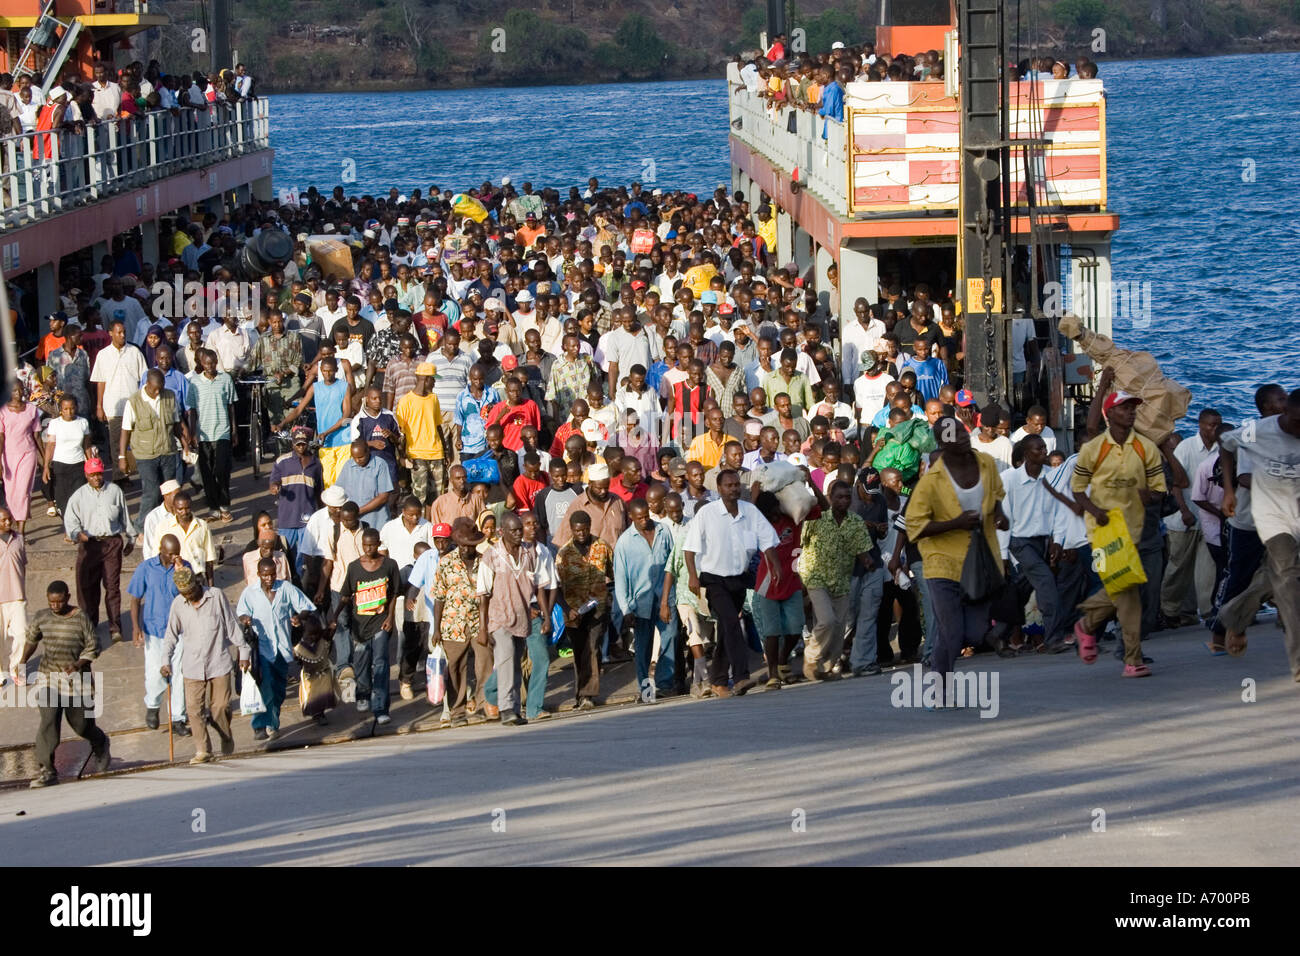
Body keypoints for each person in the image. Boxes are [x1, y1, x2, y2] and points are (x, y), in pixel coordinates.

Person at [905, 417, 1009, 705]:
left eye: (962, 432)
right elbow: (915, 527)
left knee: (973, 634)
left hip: (977, 561)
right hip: (942, 563)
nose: (961, 438)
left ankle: (951, 660)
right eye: (952, 436)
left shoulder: (986, 464)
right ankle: (940, 688)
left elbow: (996, 495)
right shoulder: (931, 482)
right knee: (951, 631)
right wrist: (955, 523)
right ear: (942, 444)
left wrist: (998, 515)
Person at [1069, 393, 1168, 677]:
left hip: (1138, 528)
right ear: (1108, 413)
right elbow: (1077, 488)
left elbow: (1160, 489)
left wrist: (1150, 495)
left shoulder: (1145, 447)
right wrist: (1095, 510)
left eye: (1133, 408)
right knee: (1127, 594)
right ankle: (1132, 660)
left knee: (1132, 590)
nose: (1130, 413)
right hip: (1106, 529)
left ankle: (1087, 623)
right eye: (1124, 408)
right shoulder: (1094, 448)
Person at [1219, 388, 1300, 680]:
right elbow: (1225, 445)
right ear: (1284, 413)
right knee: (1288, 579)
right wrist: (1228, 490)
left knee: (1275, 577)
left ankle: (1234, 615)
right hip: (1270, 517)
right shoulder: (1258, 432)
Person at [683, 469, 782, 697]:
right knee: (732, 623)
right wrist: (692, 576)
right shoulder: (707, 513)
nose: (734, 489)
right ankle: (740, 677)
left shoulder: (750, 511)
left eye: (737, 484)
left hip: (739, 579)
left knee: (729, 630)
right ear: (719, 489)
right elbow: (689, 549)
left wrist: (775, 565)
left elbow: (767, 541)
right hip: (714, 580)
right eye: (729, 485)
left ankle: (718, 681)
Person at [21, 580, 111, 788]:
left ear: (67, 598)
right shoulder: (42, 617)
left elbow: (94, 646)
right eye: (51, 602)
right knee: (48, 721)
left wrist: (79, 664)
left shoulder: (80, 618)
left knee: (82, 725)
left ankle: (100, 743)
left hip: (78, 681)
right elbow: (32, 639)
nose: (55, 606)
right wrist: (22, 661)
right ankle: (47, 770)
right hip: (49, 678)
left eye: (59, 602)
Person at [160, 567, 249, 764]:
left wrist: (243, 651)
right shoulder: (178, 605)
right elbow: (170, 636)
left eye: (191, 592)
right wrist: (165, 660)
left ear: (198, 584)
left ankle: (226, 735)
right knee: (193, 709)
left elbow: (231, 625)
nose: (189, 596)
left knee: (221, 707)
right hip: (192, 665)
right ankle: (203, 750)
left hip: (218, 661)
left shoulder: (216, 596)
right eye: (185, 594)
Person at [476, 512, 549, 725]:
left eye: (520, 530)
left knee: (516, 663)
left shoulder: (530, 553)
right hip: (500, 617)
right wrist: (483, 628)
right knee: (505, 660)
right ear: (502, 532)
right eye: (514, 531)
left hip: (523, 617)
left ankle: (515, 708)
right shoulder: (491, 556)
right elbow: (483, 595)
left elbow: (541, 585)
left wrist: (546, 617)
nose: (519, 534)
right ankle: (506, 707)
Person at [799, 481, 876, 680]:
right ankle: (811, 655)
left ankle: (824, 669)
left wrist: (868, 561)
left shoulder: (856, 522)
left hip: (841, 578)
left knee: (839, 628)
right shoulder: (817, 518)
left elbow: (862, 550)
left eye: (847, 497)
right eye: (839, 497)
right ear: (830, 498)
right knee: (827, 620)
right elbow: (802, 542)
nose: (843, 501)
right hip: (816, 576)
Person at [1002, 434, 1071, 652]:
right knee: (1046, 583)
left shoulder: (1052, 477)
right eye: (1038, 449)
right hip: (1020, 543)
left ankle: (998, 632)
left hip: (1044, 541)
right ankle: (1053, 639)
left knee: (1022, 588)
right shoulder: (1010, 479)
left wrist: (1057, 541)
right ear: (1025, 454)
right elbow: (1004, 517)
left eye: (1044, 448)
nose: (1044, 452)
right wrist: (1003, 553)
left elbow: (1060, 511)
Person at [237, 556, 317, 739]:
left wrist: (299, 617)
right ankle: (262, 725)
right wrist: (246, 619)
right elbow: (241, 612)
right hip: (263, 649)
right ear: (259, 575)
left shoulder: (286, 589)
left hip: (282, 648)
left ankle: (272, 720)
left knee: (279, 689)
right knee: (266, 687)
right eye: (265, 575)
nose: (269, 578)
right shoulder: (250, 593)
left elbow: (306, 607)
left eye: (272, 574)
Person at [330, 527, 400, 723]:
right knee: (361, 662)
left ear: (378, 544)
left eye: (372, 545)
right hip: (359, 625)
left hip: (380, 623)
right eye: (365, 545)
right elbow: (345, 595)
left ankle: (381, 708)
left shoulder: (389, 565)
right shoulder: (354, 567)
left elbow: (394, 592)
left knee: (381, 663)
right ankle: (363, 694)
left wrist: (390, 617)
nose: (368, 549)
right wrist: (335, 617)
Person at [1160, 407, 1222, 627]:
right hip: (1183, 518)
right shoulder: (1186, 447)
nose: (1215, 429)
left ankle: (1207, 610)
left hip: (1209, 518)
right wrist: (1184, 510)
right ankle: (1169, 609)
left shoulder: (1219, 449)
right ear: (1200, 425)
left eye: (1218, 424)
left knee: (1207, 567)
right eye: (1211, 425)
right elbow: (1176, 482)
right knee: (1179, 566)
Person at [63, 457, 136, 639]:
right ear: (86, 475)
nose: (96, 478)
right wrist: (77, 535)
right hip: (90, 545)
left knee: (112, 587)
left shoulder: (114, 491)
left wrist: (131, 538)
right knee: (87, 587)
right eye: (92, 475)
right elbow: (70, 521)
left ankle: (115, 627)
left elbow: (125, 517)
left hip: (112, 543)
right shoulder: (78, 496)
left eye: (99, 474)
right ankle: (90, 626)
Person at [614, 499, 675, 700]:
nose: (644, 521)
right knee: (643, 647)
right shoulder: (624, 542)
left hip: (665, 597)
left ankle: (665, 683)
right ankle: (645, 689)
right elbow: (621, 579)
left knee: (670, 637)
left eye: (646, 516)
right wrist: (625, 610)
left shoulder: (663, 531)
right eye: (639, 518)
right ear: (631, 517)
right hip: (640, 602)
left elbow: (672, 562)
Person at [556, 510, 613, 710]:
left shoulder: (602, 546)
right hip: (574, 611)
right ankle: (580, 693)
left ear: (590, 527)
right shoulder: (564, 553)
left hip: (598, 608)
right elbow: (556, 586)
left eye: (585, 529)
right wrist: (567, 609)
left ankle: (588, 694)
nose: (582, 533)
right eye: (577, 530)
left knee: (592, 648)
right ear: (571, 529)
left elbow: (612, 573)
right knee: (579, 651)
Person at [431, 518, 485, 727]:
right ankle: (458, 710)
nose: (465, 549)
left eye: (469, 546)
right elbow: (438, 597)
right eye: (462, 545)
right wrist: (436, 629)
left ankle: (483, 704)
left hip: (479, 621)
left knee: (484, 663)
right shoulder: (446, 563)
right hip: (452, 624)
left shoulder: (485, 561)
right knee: (455, 668)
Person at [379, 495, 432, 700]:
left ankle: (421, 673)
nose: (415, 518)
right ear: (403, 513)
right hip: (399, 589)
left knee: (422, 634)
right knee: (403, 634)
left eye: (418, 514)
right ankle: (404, 676)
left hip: (421, 589)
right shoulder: (390, 528)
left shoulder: (427, 526)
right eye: (411, 515)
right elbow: (383, 554)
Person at [120, 369, 186, 521]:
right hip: (146, 454)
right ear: (147, 384)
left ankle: (167, 522)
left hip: (168, 451)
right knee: (152, 491)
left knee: (169, 491)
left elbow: (176, 424)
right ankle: (141, 525)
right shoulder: (133, 402)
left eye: (160, 389)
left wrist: (185, 445)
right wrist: (122, 456)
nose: (157, 392)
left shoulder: (170, 396)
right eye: (154, 389)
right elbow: (125, 431)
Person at [279, 356, 352, 487]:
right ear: (320, 371)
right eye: (324, 371)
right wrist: (282, 423)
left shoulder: (344, 386)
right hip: (325, 442)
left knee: (342, 481)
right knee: (327, 481)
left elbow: (346, 416)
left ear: (336, 370)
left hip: (343, 440)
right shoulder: (315, 387)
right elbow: (299, 409)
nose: (327, 374)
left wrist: (326, 432)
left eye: (330, 371)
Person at [89, 319, 147, 482]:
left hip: (133, 406)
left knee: (136, 441)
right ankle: (120, 477)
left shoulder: (134, 352)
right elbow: (100, 381)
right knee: (115, 443)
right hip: (113, 407)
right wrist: (99, 406)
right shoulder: (103, 354)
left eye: (124, 332)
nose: (122, 335)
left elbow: (143, 379)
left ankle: (139, 472)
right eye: (119, 332)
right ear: (110, 333)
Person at [186, 348, 237, 521]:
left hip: (223, 431)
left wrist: (234, 430)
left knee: (222, 470)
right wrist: (192, 432)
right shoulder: (194, 382)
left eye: (213, 362)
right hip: (203, 434)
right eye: (207, 363)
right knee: (207, 473)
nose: (211, 366)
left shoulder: (226, 379)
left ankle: (224, 506)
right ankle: (213, 507)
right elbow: (192, 410)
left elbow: (231, 406)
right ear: (201, 363)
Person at [268, 426, 324, 574]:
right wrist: (274, 487)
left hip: (308, 518)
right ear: (292, 444)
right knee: (285, 556)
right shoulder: (282, 461)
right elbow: (274, 481)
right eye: (298, 444)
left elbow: (319, 491)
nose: (301, 447)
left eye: (303, 443)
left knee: (304, 558)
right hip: (287, 519)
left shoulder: (316, 464)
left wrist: (323, 513)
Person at [395, 363, 447, 513]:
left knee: (437, 496)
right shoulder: (406, 401)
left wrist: (445, 450)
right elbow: (401, 433)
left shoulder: (433, 398)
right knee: (419, 497)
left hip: (436, 453)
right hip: (417, 455)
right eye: (433, 379)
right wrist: (403, 457)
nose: (435, 382)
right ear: (425, 379)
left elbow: (438, 426)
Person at [0, 382, 42, 530]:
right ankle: (10, 523)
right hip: (8, 456)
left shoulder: (32, 409)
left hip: (28, 454)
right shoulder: (3, 410)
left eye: (20, 389)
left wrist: (44, 458)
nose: (17, 393)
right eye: (14, 390)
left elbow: (37, 435)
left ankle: (21, 530)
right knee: (11, 493)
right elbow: (1, 437)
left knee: (23, 491)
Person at [158, 490, 218, 586]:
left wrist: (211, 587)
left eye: (187, 508)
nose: (184, 512)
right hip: (173, 578)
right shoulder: (164, 527)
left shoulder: (202, 526)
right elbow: (157, 556)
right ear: (174, 509)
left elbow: (209, 559)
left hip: (197, 578)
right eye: (180, 509)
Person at [334, 438, 396, 530]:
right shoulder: (348, 465)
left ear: (368, 451)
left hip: (376, 521)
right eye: (354, 457)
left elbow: (383, 497)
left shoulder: (380, 465)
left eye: (361, 457)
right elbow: (339, 490)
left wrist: (359, 511)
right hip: (353, 521)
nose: (357, 460)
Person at [0, 507, 26, 688]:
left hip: (18, 597)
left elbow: (23, 565)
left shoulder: (19, 539)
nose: (8, 523)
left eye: (9, 519)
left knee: (23, 634)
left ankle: (15, 668)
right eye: (3, 520)